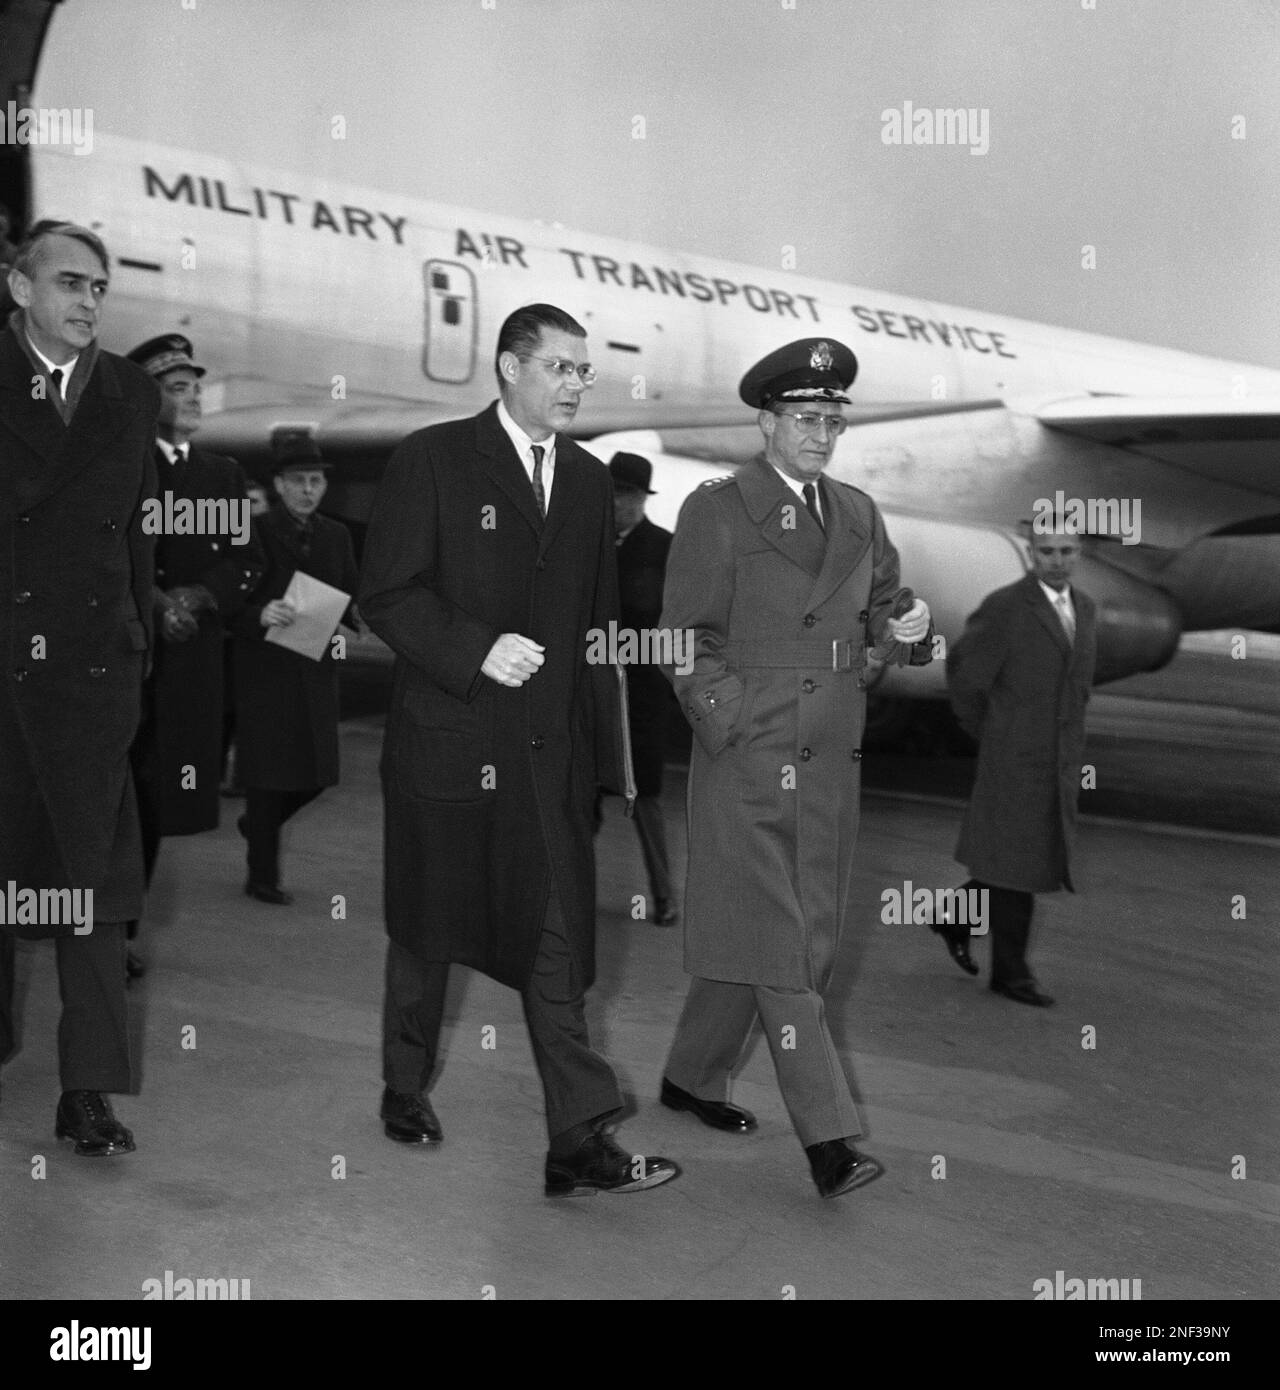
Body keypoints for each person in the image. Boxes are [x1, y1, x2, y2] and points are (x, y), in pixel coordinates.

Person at [360, 303, 678, 1197]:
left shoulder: (584, 481)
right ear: (507, 367)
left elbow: (597, 629)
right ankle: (403, 1083)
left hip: (544, 755)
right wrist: (475, 648)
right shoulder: (432, 458)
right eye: (561, 368)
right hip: (450, 741)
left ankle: (576, 1134)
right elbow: (386, 591)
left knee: (555, 938)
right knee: (429, 929)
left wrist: (604, 762)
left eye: (585, 372)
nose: (577, 384)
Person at [658, 337, 934, 1198]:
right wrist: (729, 722)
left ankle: (691, 1076)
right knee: (786, 946)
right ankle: (829, 1139)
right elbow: (680, 639)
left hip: (831, 758)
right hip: (750, 754)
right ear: (767, 422)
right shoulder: (718, 508)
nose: (821, 434)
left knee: (795, 924)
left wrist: (910, 636)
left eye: (832, 421)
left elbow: (889, 612)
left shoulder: (857, 511)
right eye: (806, 419)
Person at [0, 220, 160, 1156]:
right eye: (69, 282)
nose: (89, 300)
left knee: (91, 893)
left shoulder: (128, 392)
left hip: (94, 676)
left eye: (99, 286)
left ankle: (88, 1089)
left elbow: (139, 536)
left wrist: (138, 649)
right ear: (19, 289)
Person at [123, 334, 264, 976]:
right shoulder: (119, 465)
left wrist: (198, 596)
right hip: (124, 656)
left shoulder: (221, 476)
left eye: (195, 386)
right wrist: (155, 600)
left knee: (154, 796)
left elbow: (246, 561)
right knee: (109, 791)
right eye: (177, 388)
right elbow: (102, 553)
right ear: (148, 399)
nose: (193, 398)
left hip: (186, 670)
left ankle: (121, 929)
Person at [937, 525, 1097, 1006]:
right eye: (1046, 551)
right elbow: (965, 677)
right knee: (1021, 869)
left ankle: (954, 916)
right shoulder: (1007, 606)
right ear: (1031, 554)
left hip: (1059, 762)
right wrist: (993, 736)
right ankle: (1012, 974)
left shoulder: (1085, 609)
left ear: (1079, 554)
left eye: (1066, 551)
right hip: (1012, 760)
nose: (1056, 560)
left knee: (1016, 860)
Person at [231, 431, 360, 905]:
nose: (309, 490)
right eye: (298, 481)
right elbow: (229, 601)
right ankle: (261, 876)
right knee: (267, 779)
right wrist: (258, 613)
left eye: (315, 482)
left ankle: (255, 826)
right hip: (265, 670)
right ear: (279, 486)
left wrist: (361, 617)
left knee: (318, 775)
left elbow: (350, 592)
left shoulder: (336, 535)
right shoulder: (254, 532)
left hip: (316, 668)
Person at [606, 451, 678, 925]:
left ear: (637, 498)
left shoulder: (665, 547)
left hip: (644, 691)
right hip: (591, 688)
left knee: (645, 795)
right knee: (578, 797)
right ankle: (561, 888)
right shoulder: (589, 544)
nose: (613, 504)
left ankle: (664, 895)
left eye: (621, 495)